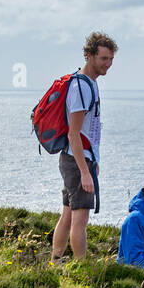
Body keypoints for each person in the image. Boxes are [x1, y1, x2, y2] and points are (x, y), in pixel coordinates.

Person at [51, 31, 118, 263]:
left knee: (68, 214)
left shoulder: (90, 84)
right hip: (76, 160)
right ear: (89, 56)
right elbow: (73, 134)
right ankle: (82, 270)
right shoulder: (81, 88)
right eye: (103, 58)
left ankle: (56, 261)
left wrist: (94, 161)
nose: (108, 64)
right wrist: (84, 171)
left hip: (79, 159)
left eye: (111, 59)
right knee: (80, 220)